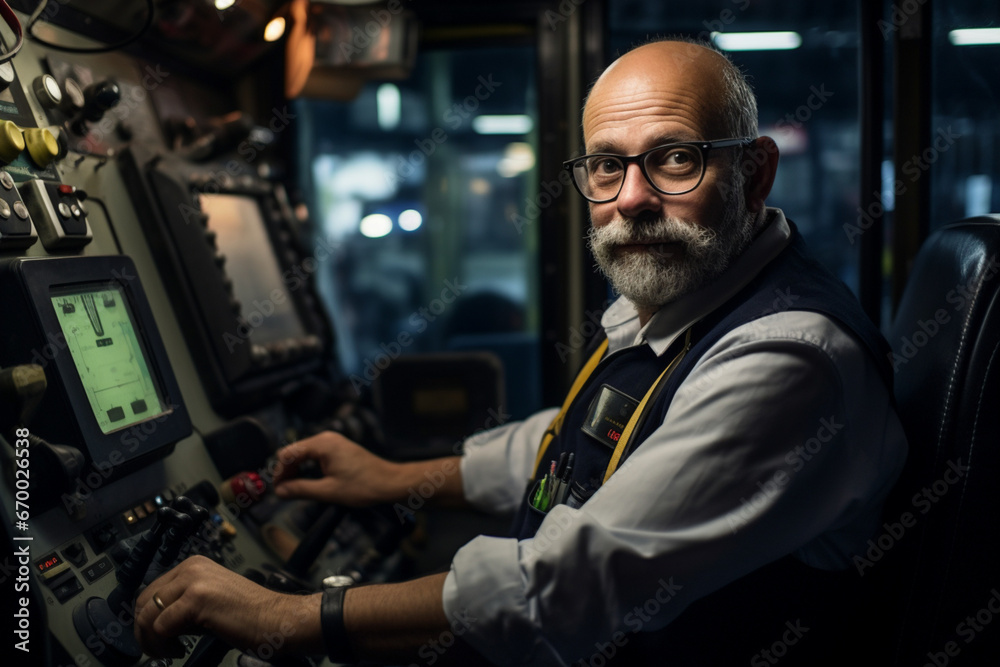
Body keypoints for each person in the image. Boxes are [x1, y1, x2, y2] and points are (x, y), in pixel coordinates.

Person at [134, 39, 907, 665]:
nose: (631, 197)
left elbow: (563, 587)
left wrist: (287, 615)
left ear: (755, 170)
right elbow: (596, 438)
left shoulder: (788, 359)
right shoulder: (694, 297)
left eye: (675, 157)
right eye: (607, 164)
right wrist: (398, 479)